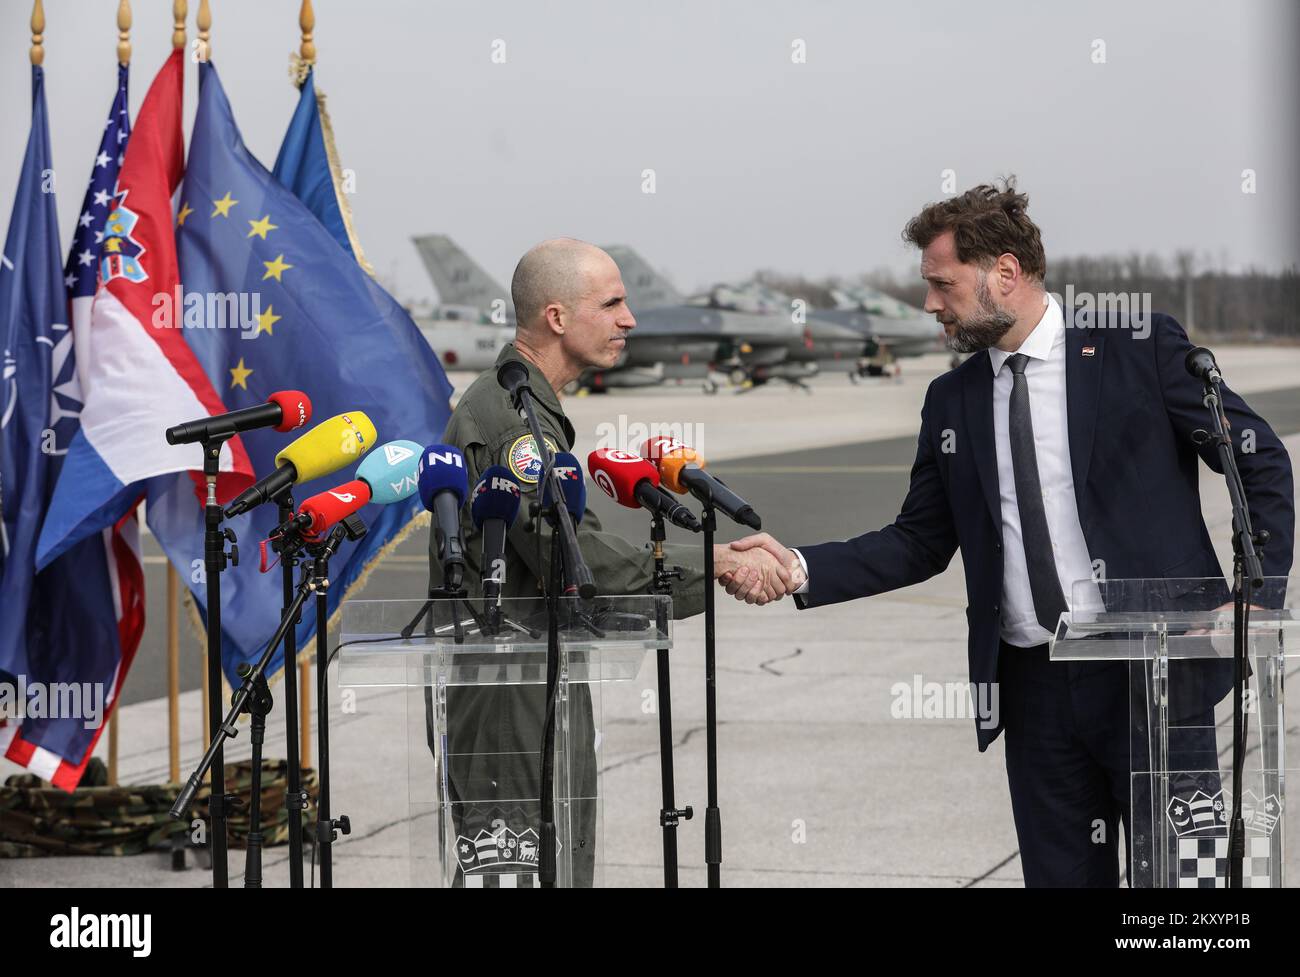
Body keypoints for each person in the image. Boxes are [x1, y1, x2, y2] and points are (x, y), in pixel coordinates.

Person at [722, 181, 1294, 887]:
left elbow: (1256, 455)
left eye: (941, 283)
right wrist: (798, 566)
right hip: (1035, 693)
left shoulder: (1136, 348)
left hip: (1155, 680)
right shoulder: (951, 399)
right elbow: (918, 541)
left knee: (1182, 895)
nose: (930, 303)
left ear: (1005, 273)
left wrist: (1261, 592)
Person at [427, 238, 790, 886]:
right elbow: (575, 561)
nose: (630, 319)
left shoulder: (524, 404)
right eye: (613, 303)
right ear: (559, 317)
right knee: (516, 869)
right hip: (510, 694)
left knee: (551, 860)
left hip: (530, 676)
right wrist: (717, 565)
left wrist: (714, 556)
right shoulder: (515, 419)